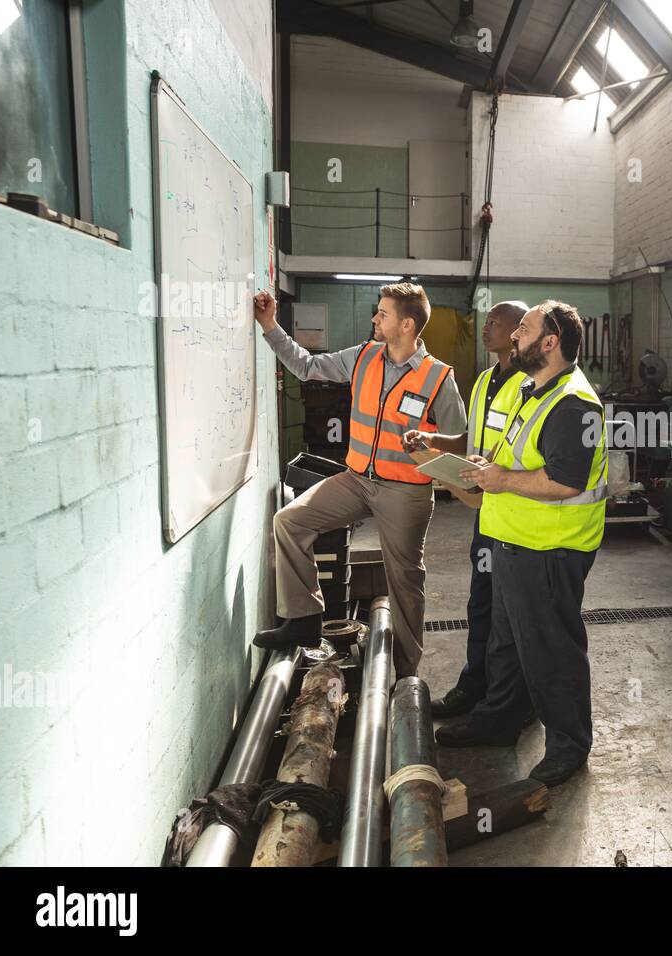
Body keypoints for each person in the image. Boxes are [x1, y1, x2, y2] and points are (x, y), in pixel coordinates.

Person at [251, 284, 467, 678]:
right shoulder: (365, 356)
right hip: (356, 480)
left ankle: (402, 676)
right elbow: (306, 366)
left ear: (406, 324)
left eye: (382, 314)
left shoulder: (437, 377)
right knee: (290, 521)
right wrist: (270, 326)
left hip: (405, 491)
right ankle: (303, 618)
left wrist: (434, 452)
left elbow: (460, 439)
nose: (374, 319)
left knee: (404, 580)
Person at [436, 300, 608, 787]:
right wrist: (480, 467)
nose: (514, 336)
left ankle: (569, 745)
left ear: (549, 342)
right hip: (511, 542)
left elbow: (567, 481)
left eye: (524, 330)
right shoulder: (530, 390)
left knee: (552, 650)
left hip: (551, 549)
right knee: (507, 642)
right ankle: (498, 720)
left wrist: (503, 480)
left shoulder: (575, 402)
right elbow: (510, 454)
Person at [422, 300, 528, 717]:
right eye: (487, 322)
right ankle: (474, 685)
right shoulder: (485, 379)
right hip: (485, 510)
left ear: (520, 331)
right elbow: (472, 439)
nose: (487, 329)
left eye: (497, 323)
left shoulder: (531, 384)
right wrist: (432, 443)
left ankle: (509, 698)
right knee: (481, 600)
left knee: (509, 612)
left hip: (515, 515)